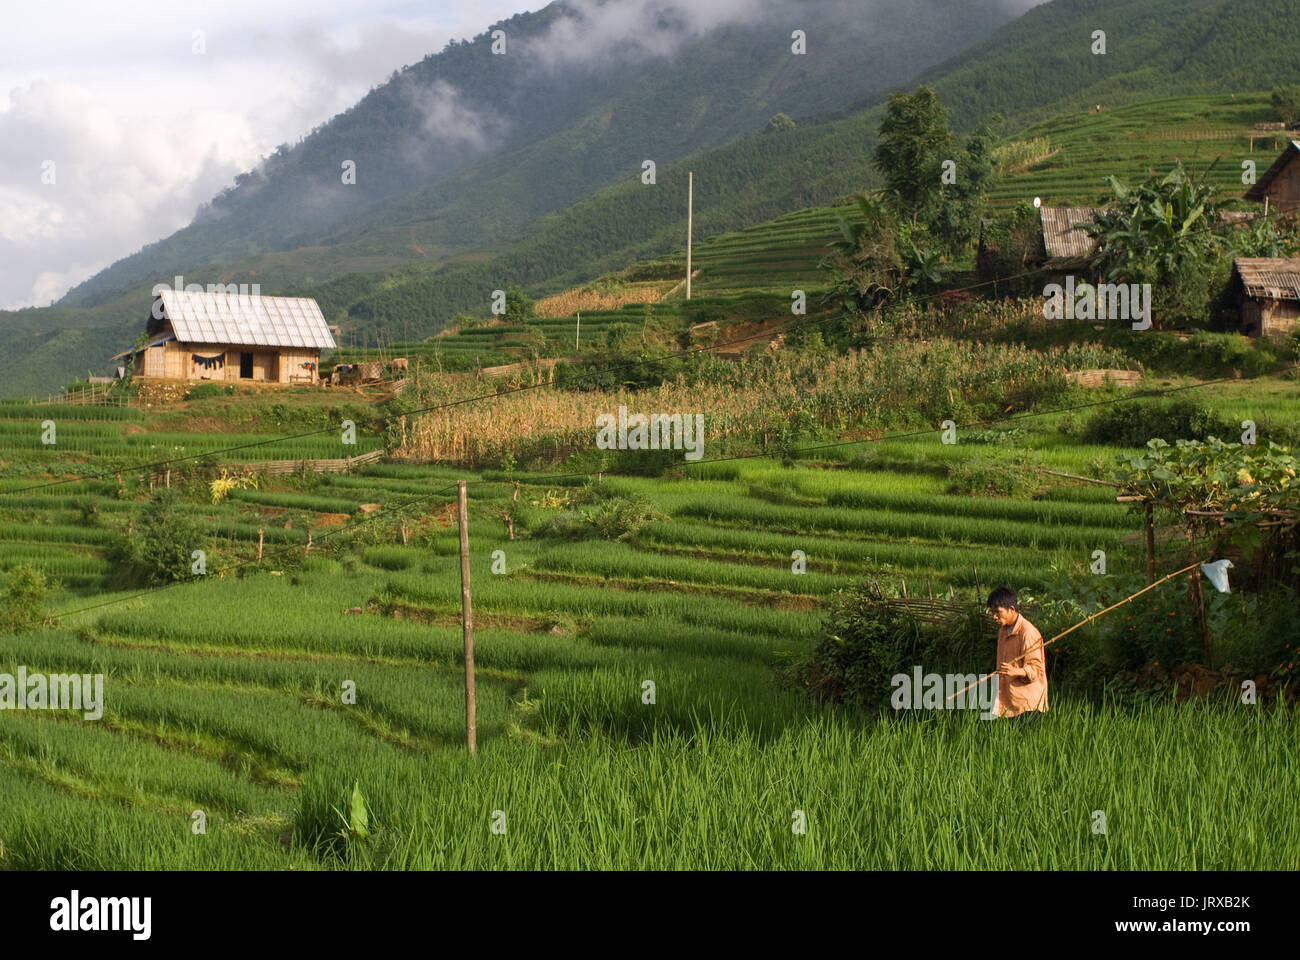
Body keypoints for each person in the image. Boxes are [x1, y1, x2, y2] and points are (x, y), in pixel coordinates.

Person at [986, 586, 1048, 720]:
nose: (994, 617)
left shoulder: (1028, 633)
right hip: (1009, 701)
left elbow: (1037, 669)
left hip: (1027, 705)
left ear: (1012, 609)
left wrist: (1016, 671)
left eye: (998, 612)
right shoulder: (1003, 630)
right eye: (992, 612)